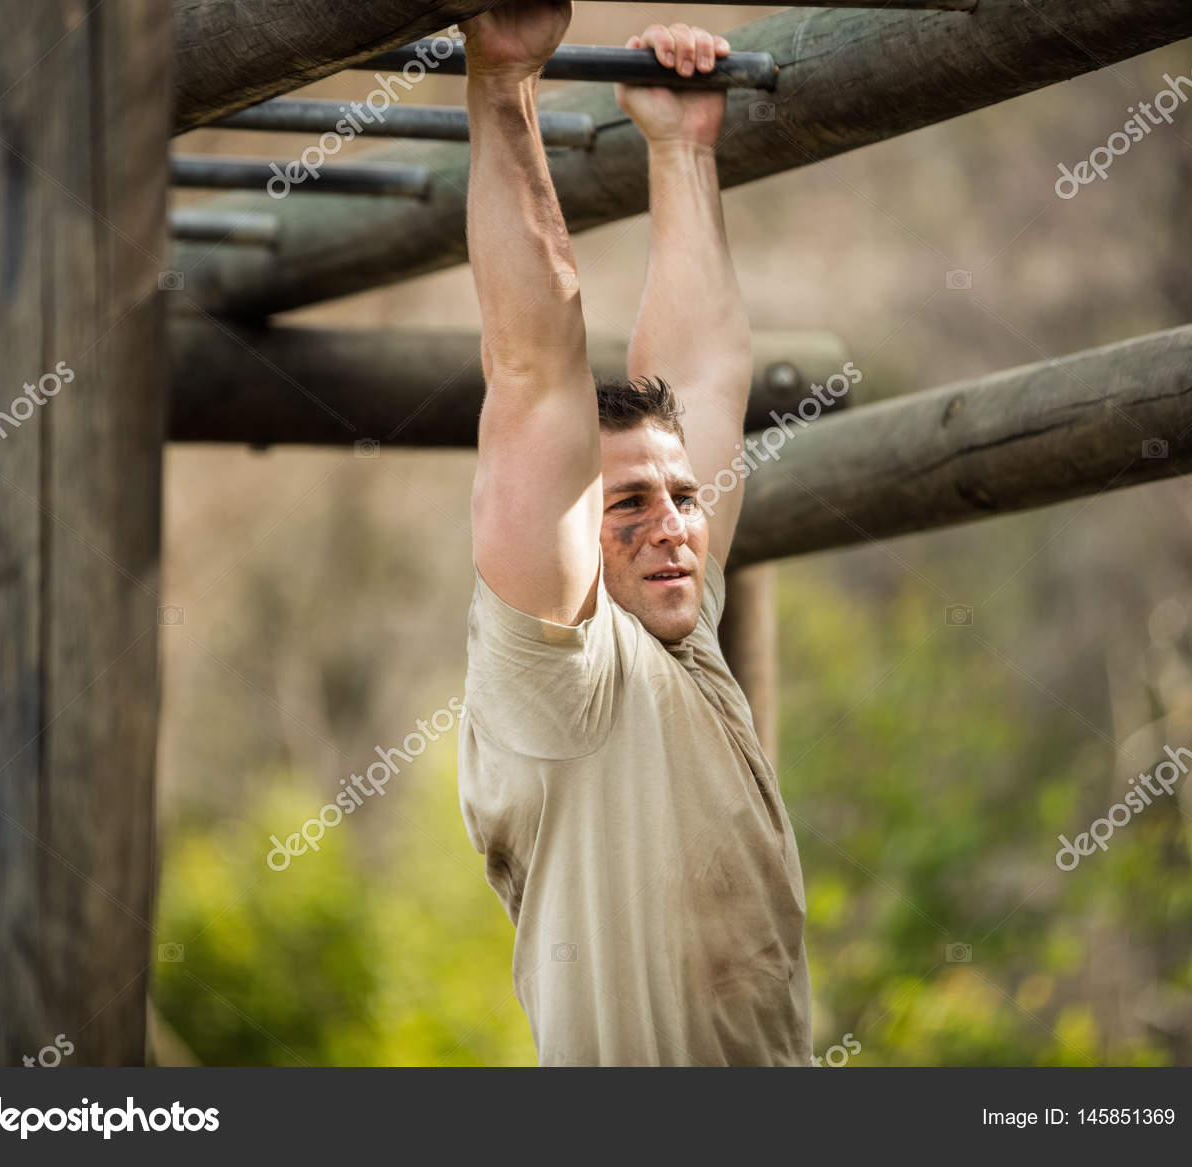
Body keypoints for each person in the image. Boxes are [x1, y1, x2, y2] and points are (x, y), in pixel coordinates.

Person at [455, 0, 811, 1066]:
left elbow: (702, 373)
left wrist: (680, 148)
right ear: (573, 529)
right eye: (627, 505)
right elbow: (531, 371)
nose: (670, 526)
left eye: (682, 498)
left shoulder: (682, 638)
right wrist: (503, 87)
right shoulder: (562, 673)